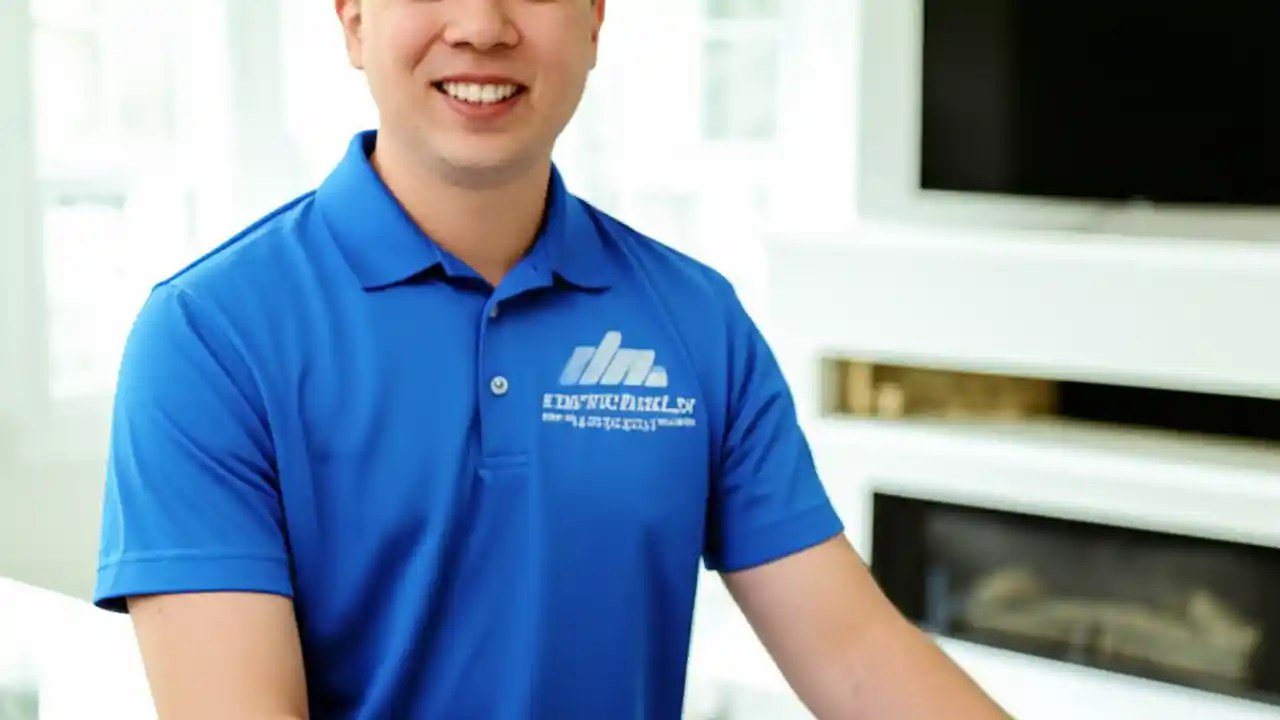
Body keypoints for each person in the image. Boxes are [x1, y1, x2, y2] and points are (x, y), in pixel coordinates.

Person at [94, 1, 1011, 717]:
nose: (484, 27)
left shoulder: (697, 323)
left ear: (596, 19)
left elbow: (856, 658)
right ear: (353, 18)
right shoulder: (210, 338)